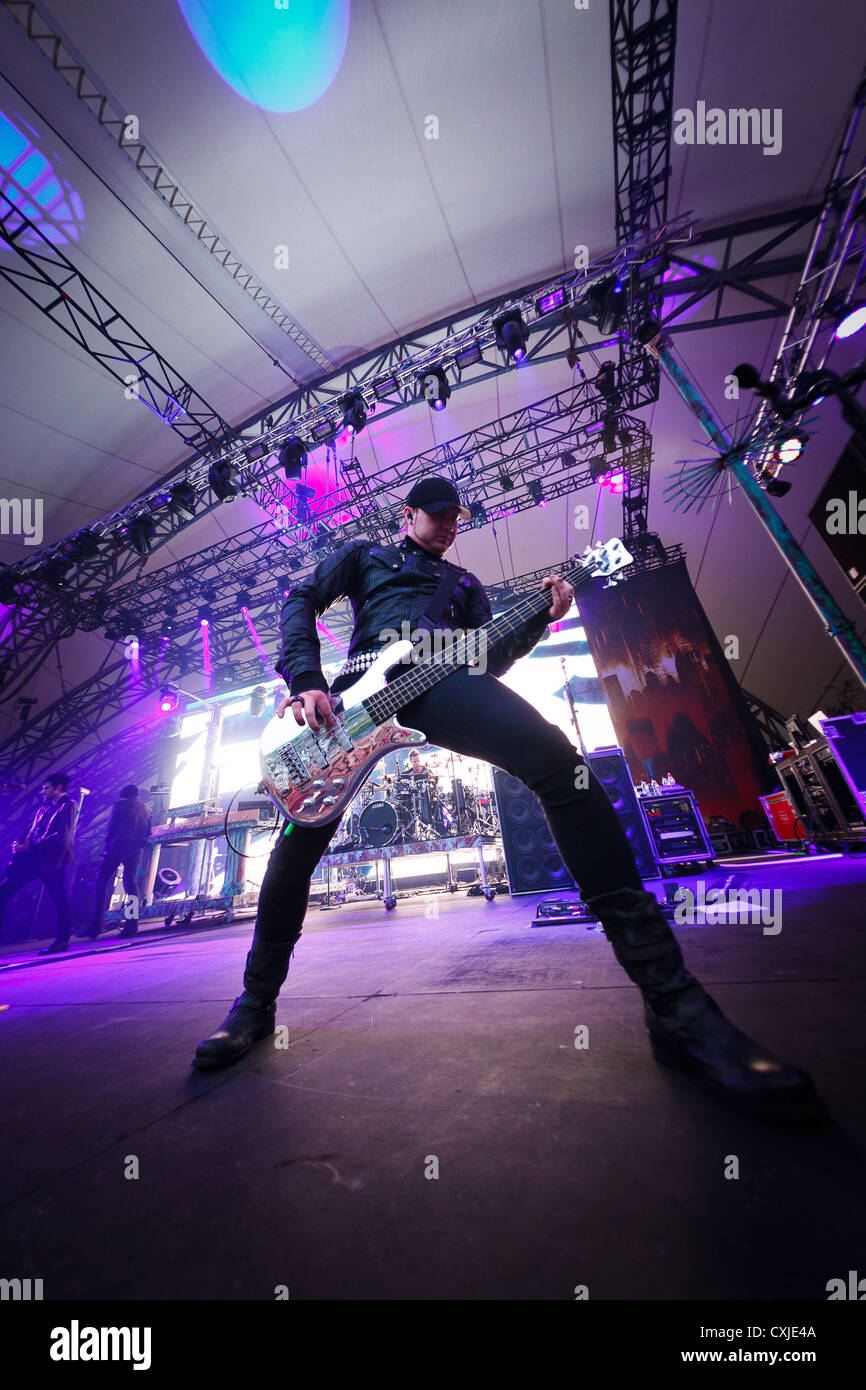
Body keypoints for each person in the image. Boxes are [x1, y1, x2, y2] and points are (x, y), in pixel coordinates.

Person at [193, 475, 825, 1125]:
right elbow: (301, 597)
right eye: (435, 515)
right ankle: (254, 1006)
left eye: (455, 517)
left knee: (560, 765)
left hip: (441, 685)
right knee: (297, 844)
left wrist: (538, 619)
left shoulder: (463, 586)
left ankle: (674, 1005)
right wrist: (305, 679)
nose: (447, 525)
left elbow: (486, 660)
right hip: (355, 704)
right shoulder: (363, 556)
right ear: (407, 515)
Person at [0, 772, 75, 954]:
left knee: (59, 898)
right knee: (4, 890)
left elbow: (61, 837)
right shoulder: (46, 807)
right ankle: (62, 939)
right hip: (36, 858)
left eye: (47, 787)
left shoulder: (68, 806)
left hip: (52, 861)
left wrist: (28, 847)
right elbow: (33, 830)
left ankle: (63, 939)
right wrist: (22, 844)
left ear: (58, 788)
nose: (43, 791)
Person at [87, 785, 152, 940]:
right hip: (136, 848)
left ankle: (95, 926)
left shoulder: (119, 805)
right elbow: (148, 832)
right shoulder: (147, 809)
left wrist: (107, 846)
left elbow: (111, 828)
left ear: (123, 796)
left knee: (101, 883)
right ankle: (131, 924)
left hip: (117, 847)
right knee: (131, 884)